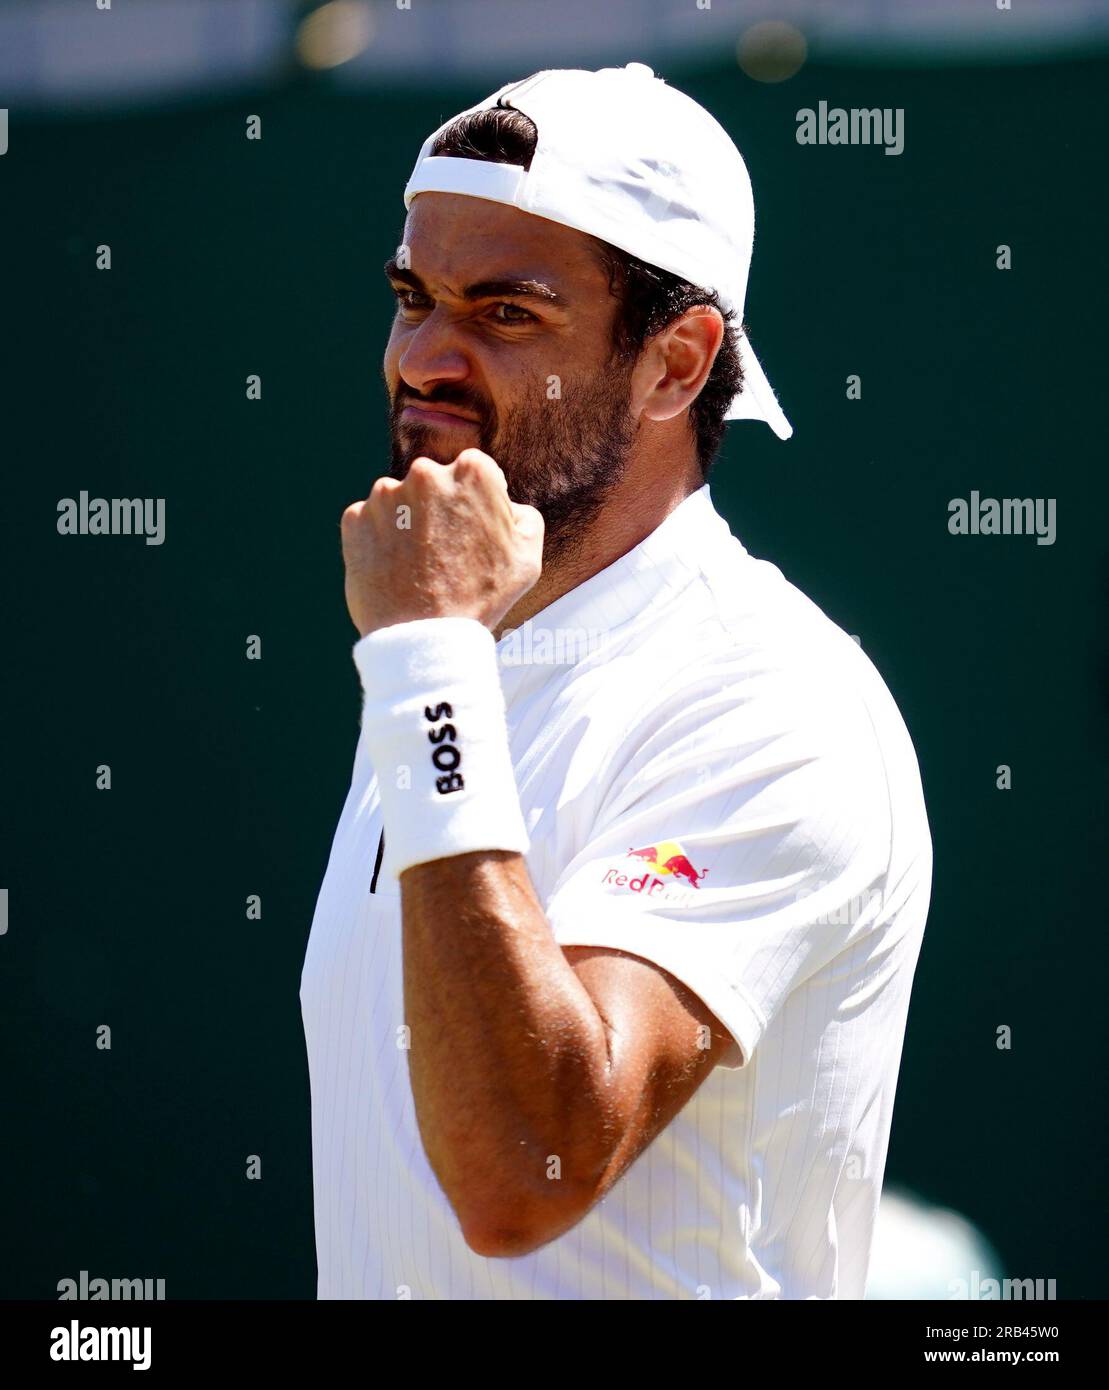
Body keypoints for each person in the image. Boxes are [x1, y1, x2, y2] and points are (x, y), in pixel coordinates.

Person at [299, 62, 933, 1300]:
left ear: (675, 364)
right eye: (411, 296)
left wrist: (427, 659)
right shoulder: (461, 665)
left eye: (505, 313)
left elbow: (523, 1171)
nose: (424, 356)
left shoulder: (774, 700)